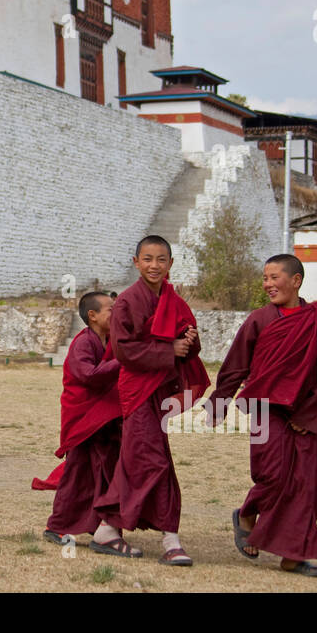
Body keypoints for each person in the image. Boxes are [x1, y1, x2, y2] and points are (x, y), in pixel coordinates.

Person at [205, 254, 317, 577]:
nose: (268, 284)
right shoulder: (259, 319)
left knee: (306, 483)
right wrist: (219, 402)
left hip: (307, 412)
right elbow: (236, 363)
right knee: (273, 474)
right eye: (265, 278)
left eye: (274, 278)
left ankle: (293, 555)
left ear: (295, 281)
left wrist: (311, 412)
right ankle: (247, 512)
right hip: (266, 407)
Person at [92, 236, 208, 564]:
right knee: (152, 458)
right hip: (136, 387)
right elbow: (125, 350)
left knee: (140, 457)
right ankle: (168, 537)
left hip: (159, 388)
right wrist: (167, 350)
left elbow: (189, 335)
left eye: (161, 259)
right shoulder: (128, 301)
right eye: (147, 259)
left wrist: (188, 340)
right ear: (136, 262)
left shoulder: (173, 298)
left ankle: (109, 528)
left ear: (170, 264)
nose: (154, 266)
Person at [35, 291, 122, 545]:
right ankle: (57, 526)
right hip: (84, 419)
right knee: (76, 476)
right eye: (110, 310)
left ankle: (99, 525)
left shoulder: (109, 340)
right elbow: (89, 376)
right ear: (93, 316)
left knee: (103, 474)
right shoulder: (83, 343)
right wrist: (123, 362)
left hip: (102, 421)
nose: (115, 313)